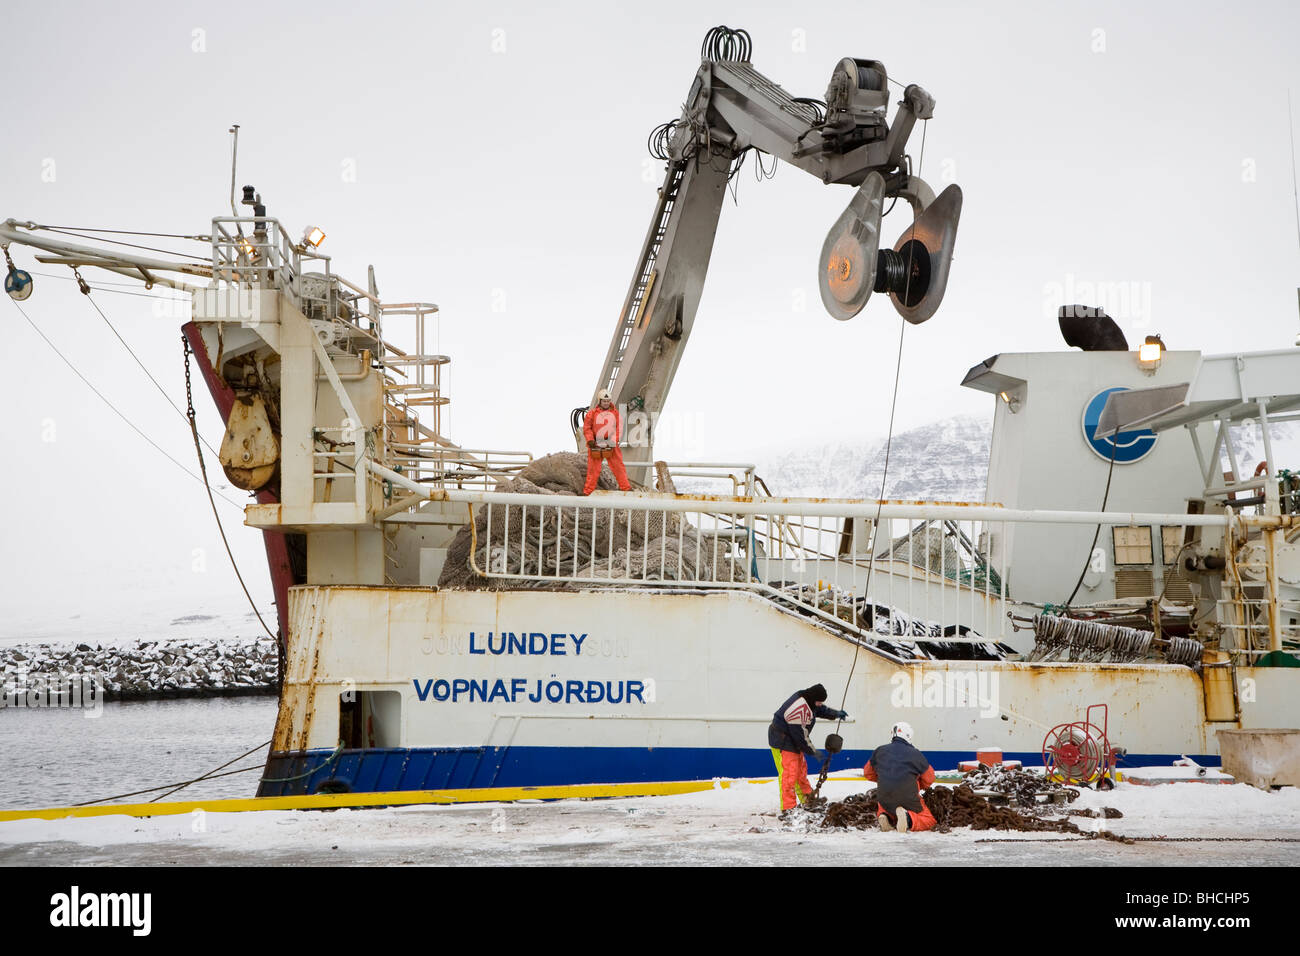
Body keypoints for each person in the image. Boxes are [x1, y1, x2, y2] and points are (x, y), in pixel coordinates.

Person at [767, 684, 848, 811]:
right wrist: (813, 751)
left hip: (793, 740)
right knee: (789, 775)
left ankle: (808, 800)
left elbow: (819, 709)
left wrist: (835, 714)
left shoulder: (809, 699)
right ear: (813, 699)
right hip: (782, 740)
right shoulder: (798, 708)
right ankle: (788, 808)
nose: (820, 704)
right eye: (819, 702)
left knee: (800, 772)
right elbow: (801, 736)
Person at [863, 720, 937, 832]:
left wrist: (885, 778)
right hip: (908, 798)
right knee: (929, 820)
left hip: (885, 796)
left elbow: (868, 773)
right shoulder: (916, 753)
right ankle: (908, 819)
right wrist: (916, 785)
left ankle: (885, 816)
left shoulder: (879, 750)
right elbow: (929, 778)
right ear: (909, 736)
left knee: (884, 804)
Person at [582, 389, 632, 496]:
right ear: (600, 401)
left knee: (618, 467)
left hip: (611, 446)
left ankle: (626, 489)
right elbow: (587, 428)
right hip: (596, 445)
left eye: (608, 401)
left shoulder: (616, 414)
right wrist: (590, 440)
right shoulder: (592, 414)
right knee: (593, 469)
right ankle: (587, 492)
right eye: (604, 401)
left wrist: (613, 441)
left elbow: (619, 428)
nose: (606, 403)